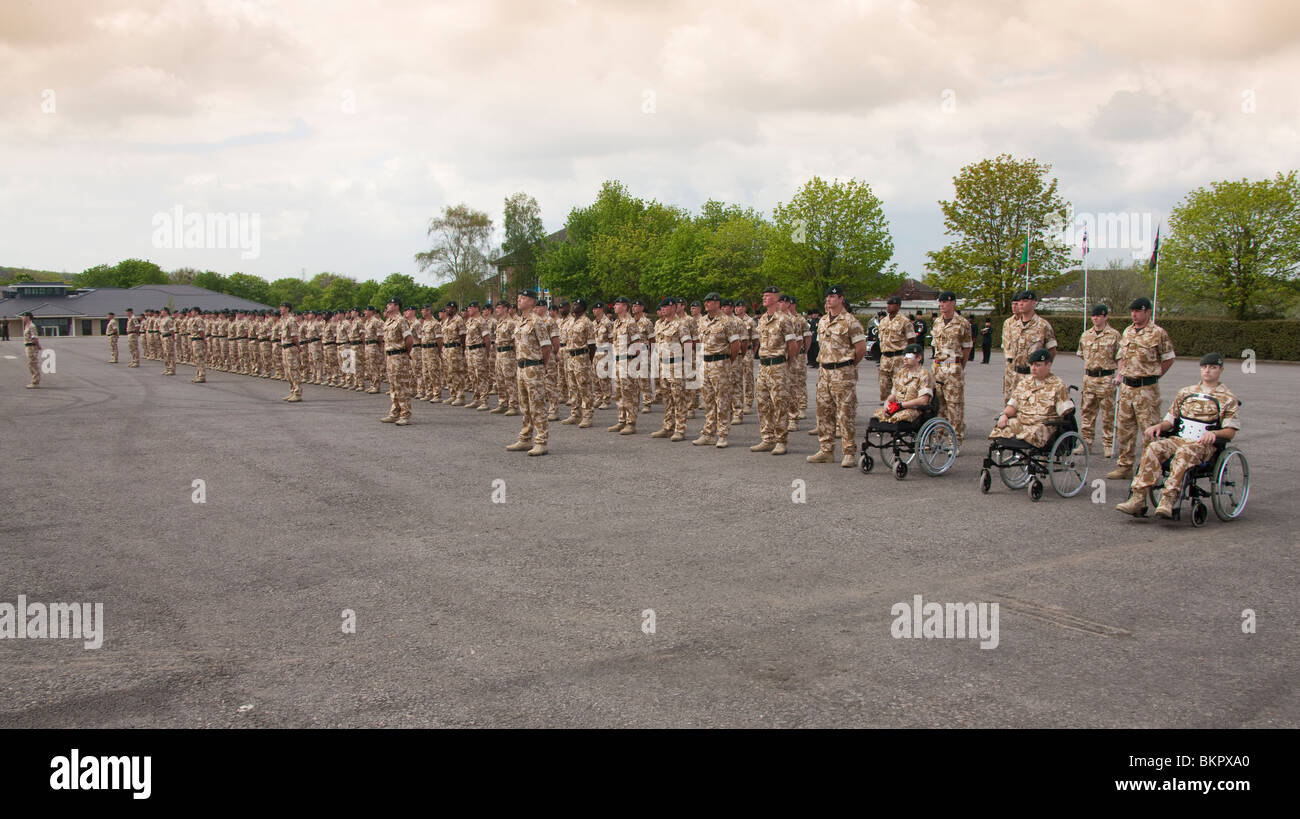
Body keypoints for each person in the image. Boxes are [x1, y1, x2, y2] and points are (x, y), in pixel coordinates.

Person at [1116, 352, 1240, 518]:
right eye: (1204, 367)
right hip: (1179, 439)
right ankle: (1138, 498)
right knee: (1153, 447)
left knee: (1184, 454)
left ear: (1221, 370)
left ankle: (1168, 499)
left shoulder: (1228, 398)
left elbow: (1230, 431)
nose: (1208, 371)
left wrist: (1215, 433)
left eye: (1213, 367)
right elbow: (1170, 420)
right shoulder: (1186, 392)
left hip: (1202, 444)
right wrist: (1159, 426)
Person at [1107, 297, 1176, 480]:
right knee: (1124, 429)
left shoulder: (1158, 333)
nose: (1134, 315)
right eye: (1132, 311)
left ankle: (1148, 468)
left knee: (1150, 430)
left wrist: (1156, 374)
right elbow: (1121, 355)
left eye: (1138, 311)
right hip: (1128, 388)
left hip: (1147, 389)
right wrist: (1120, 373)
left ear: (1147, 312)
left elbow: (1169, 357)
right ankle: (1125, 466)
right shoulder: (1128, 331)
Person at [807, 285, 867, 467]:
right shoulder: (823, 321)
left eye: (833, 297)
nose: (829, 300)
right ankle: (826, 450)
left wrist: (847, 366)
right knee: (824, 412)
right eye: (827, 297)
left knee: (845, 413)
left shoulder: (850, 321)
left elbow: (861, 349)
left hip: (842, 372)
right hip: (824, 372)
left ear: (841, 299)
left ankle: (849, 452)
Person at [989, 348, 1073, 448]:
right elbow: (1012, 407)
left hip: (1042, 426)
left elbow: (1065, 414)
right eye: (1032, 365)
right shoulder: (1024, 383)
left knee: (1032, 434)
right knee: (1001, 428)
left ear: (1048, 365)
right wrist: (1004, 415)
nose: (1033, 368)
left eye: (1038, 365)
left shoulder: (1058, 385)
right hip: (1022, 423)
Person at [751, 286, 799, 455]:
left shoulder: (783, 319)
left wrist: (787, 363)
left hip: (778, 366)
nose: (764, 298)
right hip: (763, 366)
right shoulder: (763, 319)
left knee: (779, 404)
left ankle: (781, 440)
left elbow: (792, 345)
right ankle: (767, 438)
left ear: (776, 299)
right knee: (763, 404)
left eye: (768, 295)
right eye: (763, 295)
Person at [505, 290, 553, 456]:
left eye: (523, 298)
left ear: (532, 302)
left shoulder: (537, 321)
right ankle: (525, 439)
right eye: (518, 298)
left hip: (534, 368)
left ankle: (541, 441)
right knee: (524, 405)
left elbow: (546, 347)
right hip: (521, 367)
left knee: (537, 405)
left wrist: (541, 366)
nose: (519, 300)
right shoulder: (520, 322)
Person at [693, 292, 740, 448]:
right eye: (705, 301)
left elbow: (735, 345)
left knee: (722, 400)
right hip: (705, 364)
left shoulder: (727, 321)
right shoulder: (702, 321)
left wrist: (726, 361)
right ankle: (708, 433)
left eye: (710, 301)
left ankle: (722, 434)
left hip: (720, 364)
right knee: (708, 401)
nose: (706, 304)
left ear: (718, 304)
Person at [1077, 304, 1121, 457]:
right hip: (1089, 378)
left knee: (1108, 414)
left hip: (1106, 378)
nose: (1095, 318)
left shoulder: (1114, 335)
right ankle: (1086, 444)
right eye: (1093, 316)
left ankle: (1108, 445)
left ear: (1105, 317)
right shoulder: (1086, 335)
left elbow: (1120, 357)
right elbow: (1081, 354)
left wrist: (1119, 375)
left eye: (1099, 316)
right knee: (1087, 412)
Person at [929, 291, 972, 448]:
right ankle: (937, 438)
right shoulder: (937, 322)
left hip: (954, 366)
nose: (942, 305)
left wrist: (959, 365)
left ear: (953, 303)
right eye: (940, 302)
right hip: (938, 367)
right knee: (938, 405)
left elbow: (967, 348)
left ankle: (955, 441)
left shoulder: (962, 323)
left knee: (955, 406)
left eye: (945, 302)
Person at [1001, 290, 1057, 404]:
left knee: (1032, 409)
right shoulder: (1013, 326)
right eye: (1020, 301)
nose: (1021, 304)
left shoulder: (1043, 325)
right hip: (1015, 375)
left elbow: (1052, 350)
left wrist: (1044, 369)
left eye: (1025, 301)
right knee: (1012, 409)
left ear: (1034, 303)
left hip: (1033, 375)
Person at [650, 297, 691, 441]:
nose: (663, 309)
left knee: (678, 398)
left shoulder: (681, 325)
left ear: (674, 308)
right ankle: (668, 427)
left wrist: (683, 364)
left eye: (666, 306)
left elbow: (688, 345)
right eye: (662, 307)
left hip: (676, 366)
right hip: (663, 365)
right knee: (667, 398)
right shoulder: (659, 325)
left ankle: (680, 429)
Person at [872, 343, 933, 424]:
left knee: (897, 418)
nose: (905, 358)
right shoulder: (901, 373)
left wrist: (901, 405)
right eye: (904, 355)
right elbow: (893, 395)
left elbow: (923, 400)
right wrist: (887, 403)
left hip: (914, 410)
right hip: (898, 408)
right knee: (877, 415)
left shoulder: (924, 375)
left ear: (919, 358)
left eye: (908, 356)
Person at [608, 296, 643, 434]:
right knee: (618, 393)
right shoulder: (617, 322)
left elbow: (637, 344)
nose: (614, 307)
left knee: (629, 393)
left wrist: (637, 362)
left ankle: (631, 423)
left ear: (624, 307)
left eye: (617, 304)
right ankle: (621, 420)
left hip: (628, 361)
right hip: (618, 361)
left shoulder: (630, 323)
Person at [561, 298, 597, 427]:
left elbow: (592, 345)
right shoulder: (571, 322)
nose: (574, 306)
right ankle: (575, 414)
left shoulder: (587, 322)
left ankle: (587, 416)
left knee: (584, 387)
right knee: (573, 387)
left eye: (577, 304)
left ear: (583, 308)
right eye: (573, 304)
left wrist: (588, 361)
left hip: (582, 358)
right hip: (570, 357)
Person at [379, 298, 415, 425]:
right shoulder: (388, 321)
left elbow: (409, 339)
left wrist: (405, 353)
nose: (387, 306)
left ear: (396, 306)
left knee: (402, 386)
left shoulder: (401, 320)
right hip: (390, 357)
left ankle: (405, 414)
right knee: (393, 386)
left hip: (399, 357)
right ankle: (395, 412)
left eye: (390, 304)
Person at [875, 296, 915, 403]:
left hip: (899, 357)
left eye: (891, 304)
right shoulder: (883, 321)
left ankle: (899, 411)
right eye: (887, 304)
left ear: (898, 306)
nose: (888, 306)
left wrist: (909, 358)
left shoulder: (904, 321)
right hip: (885, 358)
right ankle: (885, 409)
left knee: (900, 386)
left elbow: (911, 340)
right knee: (884, 386)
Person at [279, 302, 303, 402]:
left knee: (293, 370)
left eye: (283, 307)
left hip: (290, 348)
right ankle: (292, 391)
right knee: (288, 372)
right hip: (285, 348)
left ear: (287, 309)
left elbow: (294, 336)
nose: (280, 309)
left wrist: (298, 347)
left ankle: (297, 393)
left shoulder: (291, 320)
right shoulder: (284, 320)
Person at [21, 312, 41, 387]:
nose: (22, 318)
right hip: (28, 346)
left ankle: (35, 382)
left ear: (28, 317)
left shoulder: (32, 326)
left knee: (33, 364)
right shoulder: (27, 326)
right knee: (31, 364)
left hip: (31, 346)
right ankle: (34, 381)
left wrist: (38, 346)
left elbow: (34, 337)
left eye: (23, 316)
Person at [187, 307, 207, 383]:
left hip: (198, 340)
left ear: (196, 312)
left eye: (193, 311)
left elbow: (201, 330)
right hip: (194, 340)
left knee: (199, 358)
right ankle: (199, 375)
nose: (191, 313)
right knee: (196, 359)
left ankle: (202, 376)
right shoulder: (193, 319)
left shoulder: (198, 319)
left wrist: (204, 339)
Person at [159, 307, 176, 376]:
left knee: (169, 353)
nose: (161, 312)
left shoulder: (169, 319)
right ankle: (168, 368)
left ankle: (172, 369)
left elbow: (172, 330)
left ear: (166, 312)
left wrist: (173, 338)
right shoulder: (162, 319)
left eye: (162, 311)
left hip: (168, 337)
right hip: (163, 337)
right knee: (165, 354)